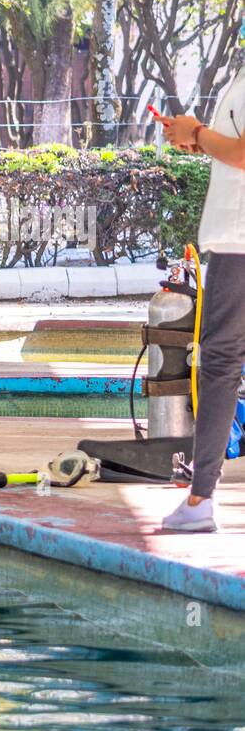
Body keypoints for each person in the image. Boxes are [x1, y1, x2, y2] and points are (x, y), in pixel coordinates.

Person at [159, 31, 245, 533]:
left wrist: (197, 132)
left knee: (219, 362)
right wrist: (199, 139)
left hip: (239, 240)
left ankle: (200, 501)